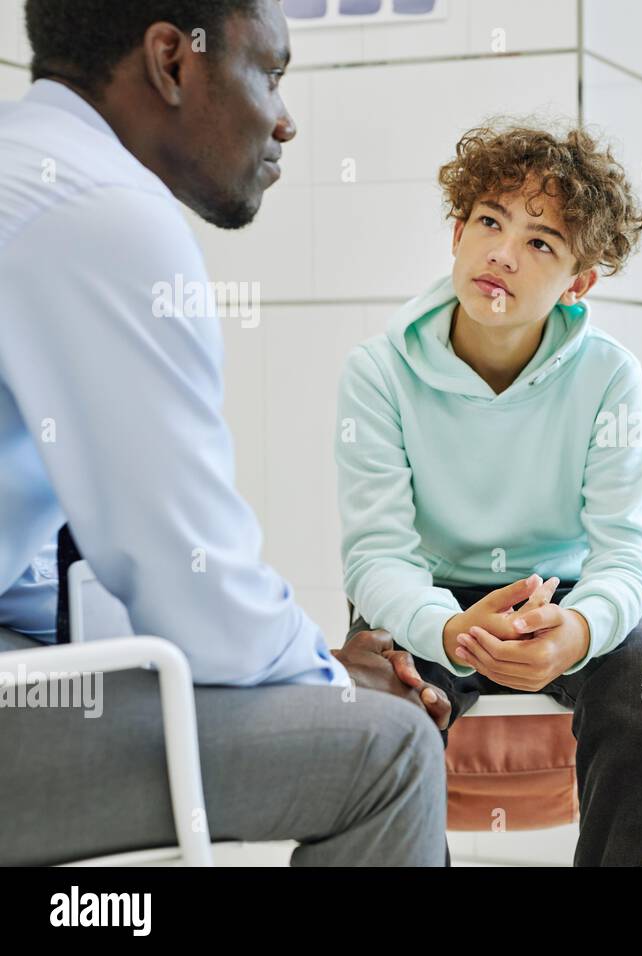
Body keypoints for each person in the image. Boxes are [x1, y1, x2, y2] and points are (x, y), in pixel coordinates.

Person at [0, 0, 449, 866]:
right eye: (270, 73)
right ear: (173, 60)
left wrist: (281, 650)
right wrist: (323, 674)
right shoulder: (103, 213)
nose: (284, 119)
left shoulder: (27, 167)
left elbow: (34, 574)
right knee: (388, 750)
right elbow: (185, 578)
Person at [336, 123, 642, 866]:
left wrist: (579, 630)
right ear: (457, 233)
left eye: (541, 243)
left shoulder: (610, 375)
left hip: (567, 591)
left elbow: (629, 552)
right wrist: (448, 630)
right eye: (490, 222)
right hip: (424, 592)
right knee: (379, 707)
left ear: (578, 283)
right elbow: (375, 557)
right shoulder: (376, 373)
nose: (502, 253)